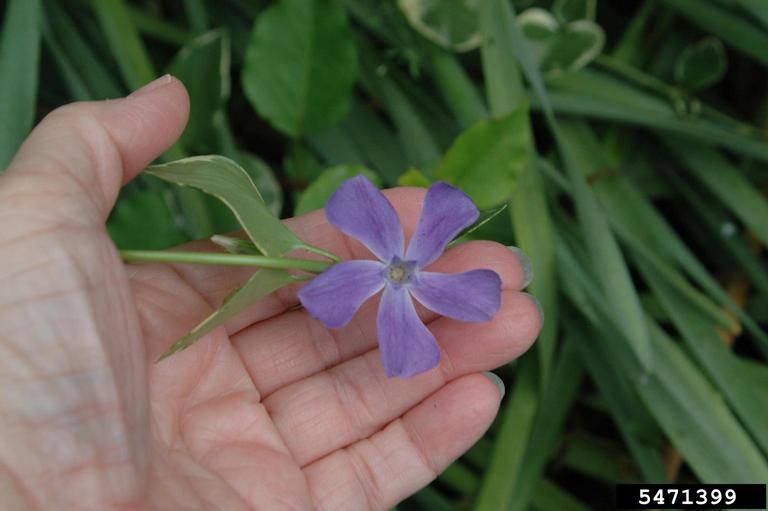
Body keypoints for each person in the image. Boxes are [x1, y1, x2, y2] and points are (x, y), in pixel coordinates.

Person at [0, 76, 542, 510]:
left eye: (402, 270)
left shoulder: (398, 273)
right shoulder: (366, 263)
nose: (399, 271)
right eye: (398, 268)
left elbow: (432, 289)